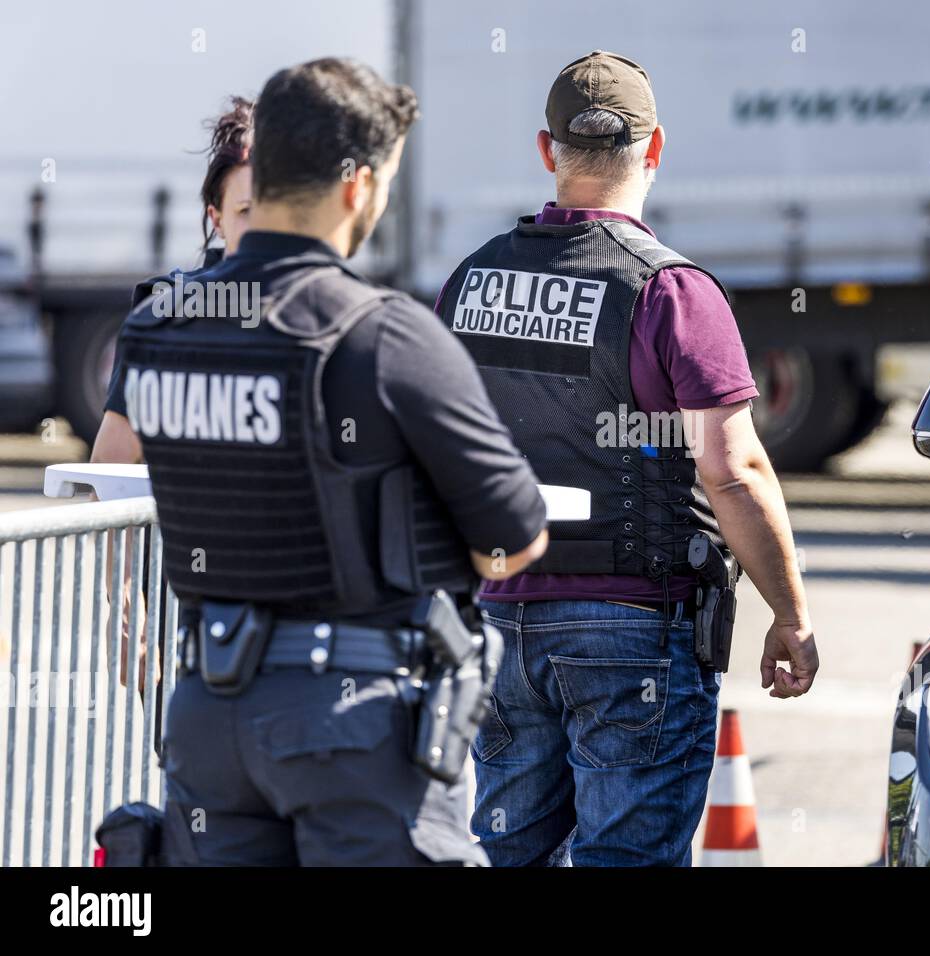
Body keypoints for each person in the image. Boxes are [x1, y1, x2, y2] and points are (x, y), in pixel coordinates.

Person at [114, 57, 548, 865]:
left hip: (208, 714)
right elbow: (514, 539)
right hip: (349, 726)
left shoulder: (158, 329)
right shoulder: (386, 333)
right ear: (358, 186)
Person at [437, 51, 819, 867]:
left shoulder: (472, 281)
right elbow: (732, 470)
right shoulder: (671, 292)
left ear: (548, 150)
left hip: (499, 624)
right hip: (634, 629)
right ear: (654, 149)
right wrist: (790, 614)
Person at [92, 95, 255, 468]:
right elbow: (110, 473)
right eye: (246, 210)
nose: (262, 224)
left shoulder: (323, 308)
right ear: (217, 219)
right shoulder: (169, 311)